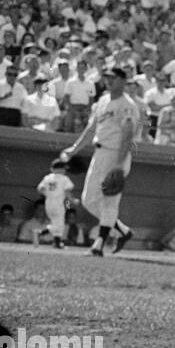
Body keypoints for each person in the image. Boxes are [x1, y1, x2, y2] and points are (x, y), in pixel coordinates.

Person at [57, 66, 135, 256]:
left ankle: (98, 245)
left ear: (123, 81)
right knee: (88, 200)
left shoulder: (127, 105)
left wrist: (118, 164)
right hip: (99, 152)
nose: (108, 81)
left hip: (116, 154)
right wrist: (74, 149)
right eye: (106, 77)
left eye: (113, 78)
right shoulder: (102, 101)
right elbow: (91, 129)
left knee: (109, 202)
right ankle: (123, 231)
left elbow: (127, 136)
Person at [35, 157, 76, 248]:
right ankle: (40, 233)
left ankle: (56, 243)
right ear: (61, 169)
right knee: (59, 224)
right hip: (58, 203)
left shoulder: (47, 177)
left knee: (55, 223)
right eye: (64, 168)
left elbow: (40, 189)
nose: (65, 170)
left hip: (48, 203)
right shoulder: (64, 178)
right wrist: (73, 200)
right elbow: (67, 192)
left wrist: (48, 194)